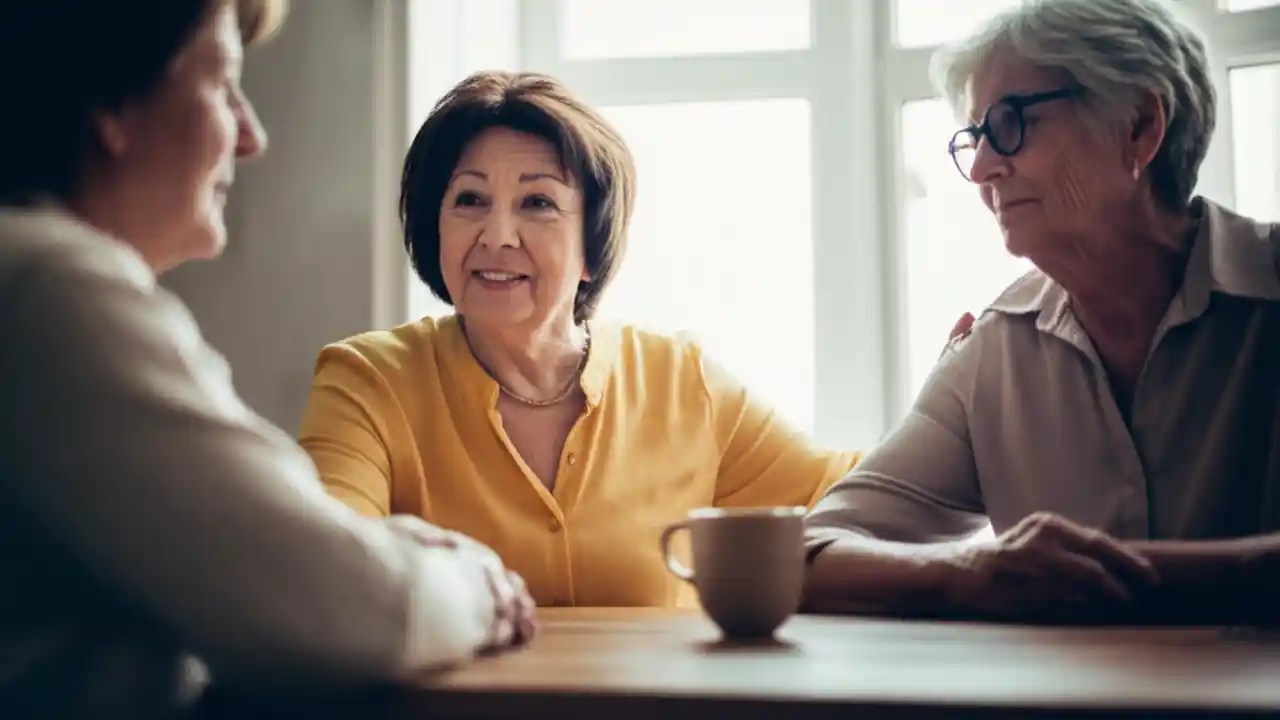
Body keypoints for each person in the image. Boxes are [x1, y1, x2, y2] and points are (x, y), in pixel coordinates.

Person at [0, 2, 533, 716]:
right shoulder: (49, 288)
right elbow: (353, 613)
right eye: (224, 87)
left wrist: (371, 550)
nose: (251, 137)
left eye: (539, 204)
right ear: (115, 105)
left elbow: (264, 551)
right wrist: (478, 587)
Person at [298, 71, 860, 609]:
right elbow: (326, 571)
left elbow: (855, 494)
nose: (497, 236)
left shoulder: (682, 382)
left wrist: (948, 394)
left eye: (537, 203)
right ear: (434, 226)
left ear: (592, 245)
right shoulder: (367, 380)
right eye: (470, 200)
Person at [804, 0, 1279, 624]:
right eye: (974, 137)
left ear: (1139, 125)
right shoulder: (992, 352)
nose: (979, 169)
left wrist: (1103, 583)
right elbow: (804, 554)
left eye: (1009, 124)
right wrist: (965, 574)